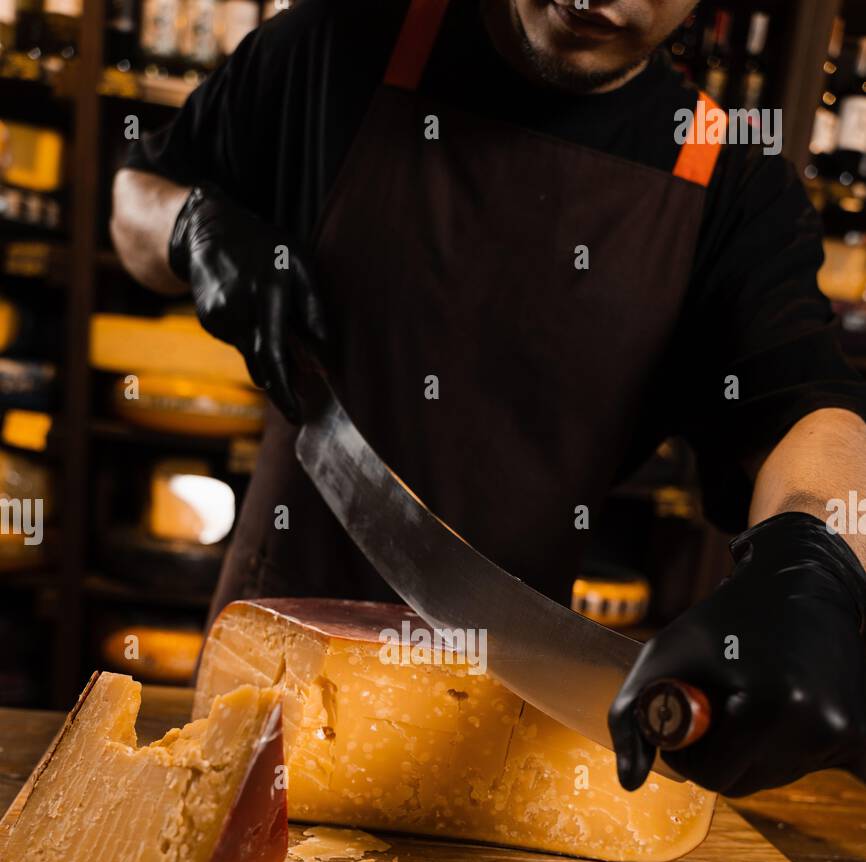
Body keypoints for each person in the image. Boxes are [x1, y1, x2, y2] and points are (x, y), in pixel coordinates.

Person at [111, 0, 866, 796]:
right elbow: (135, 191)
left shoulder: (729, 184)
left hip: (499, 709)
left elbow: (808, 407)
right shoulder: (339, 42)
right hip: (271, 669)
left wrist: (814, 567)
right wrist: (190, 226)